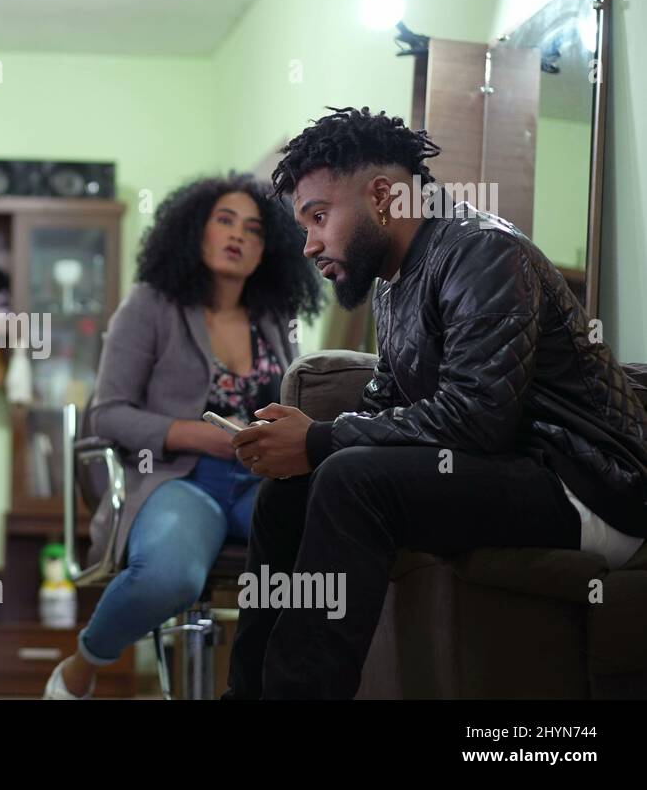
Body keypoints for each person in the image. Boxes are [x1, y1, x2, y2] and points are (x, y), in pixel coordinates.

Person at [225, 106, 647, 699]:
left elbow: (479, 418)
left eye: (319, 216)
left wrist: (322, 442)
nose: (309, 245)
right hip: (515, 469)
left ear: (380, 196)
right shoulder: (395, 283)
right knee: (286, 492)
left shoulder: (483, 252)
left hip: (589, 484)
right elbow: (386, 405)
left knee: (351, 479)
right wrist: (304, 438)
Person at [43, 173, 322, 699]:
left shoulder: (273, 316)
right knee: (168, 578)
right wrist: (196, 435)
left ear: (268, 250)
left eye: (255, 229)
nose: (238, 235)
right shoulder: (151, 304)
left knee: (327, 552)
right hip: (180, 478)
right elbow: (108, 415)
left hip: (261, 478)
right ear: (196, 230)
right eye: (225, 221)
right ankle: (83, 663)